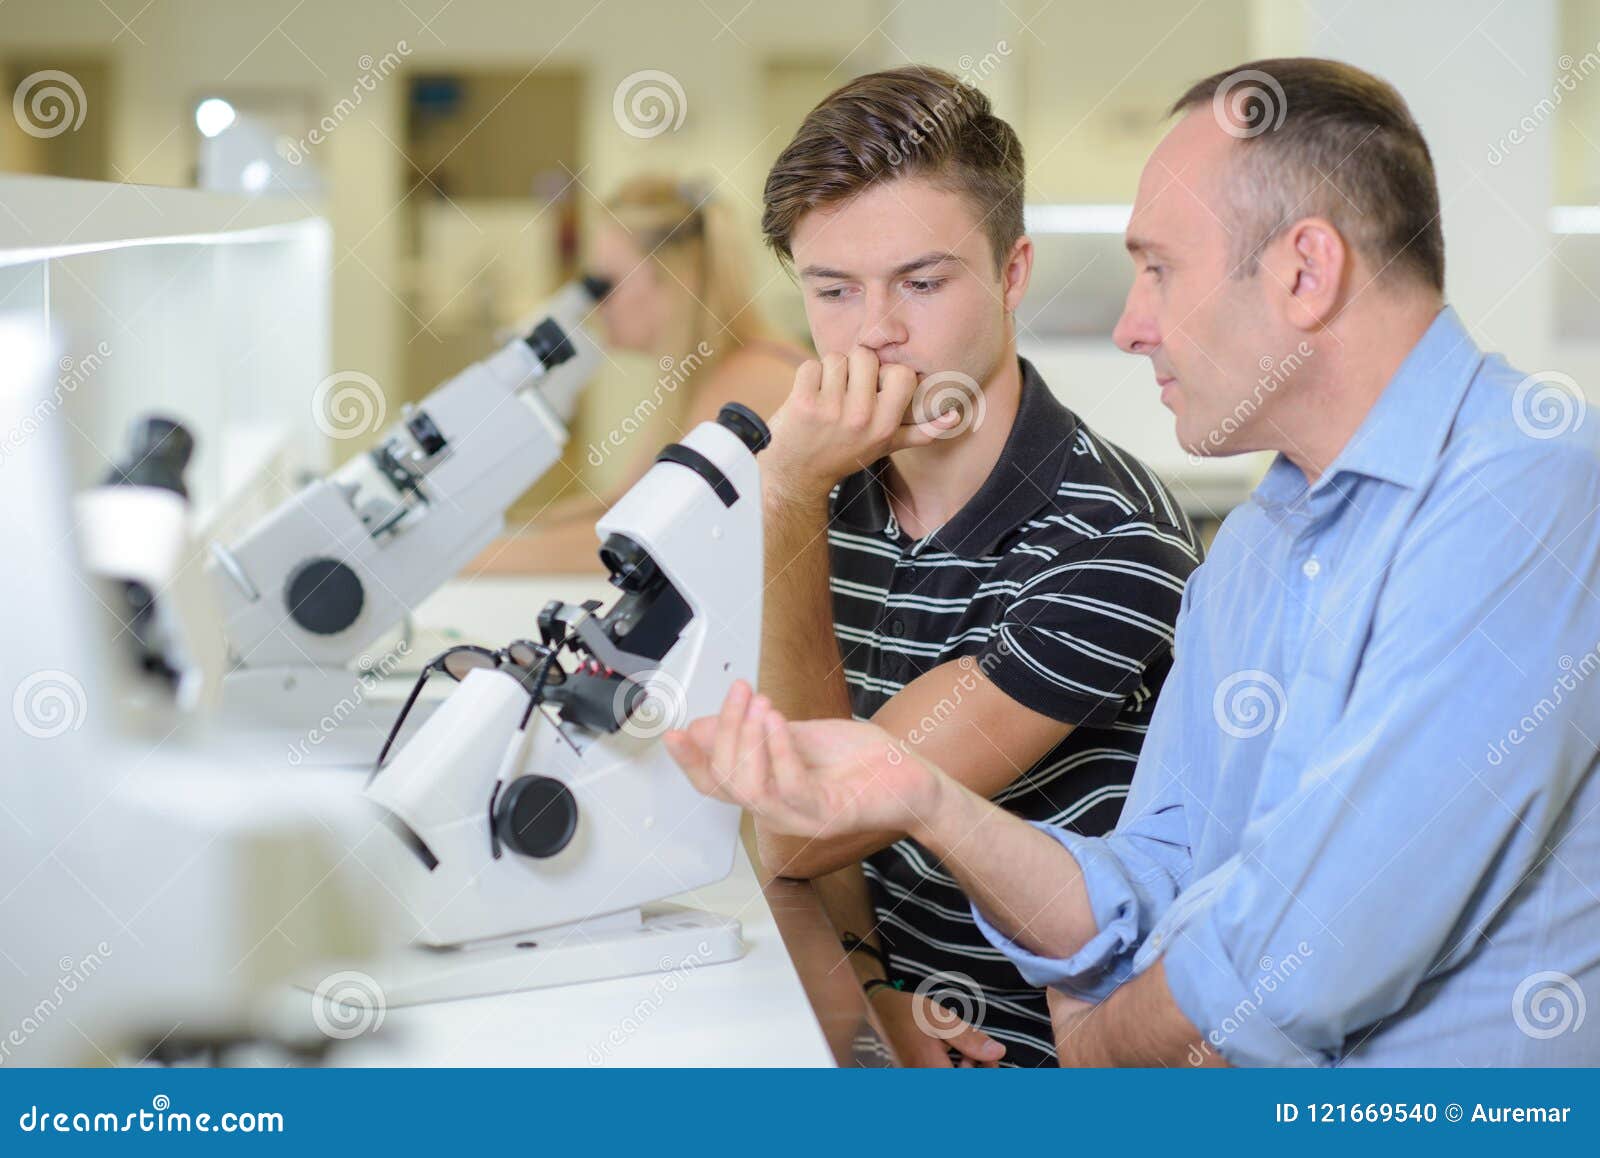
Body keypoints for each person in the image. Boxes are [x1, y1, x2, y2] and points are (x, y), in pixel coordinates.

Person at [666, 57, 1600, 1066]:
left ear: (1304, 271)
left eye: (1158, 268)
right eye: (834, 290)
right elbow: (1149, 880)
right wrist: (921, 799)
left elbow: (1297, 964)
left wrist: (1102, 1046)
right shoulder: (1253, 549)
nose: (1127, 326)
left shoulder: (1533, 489)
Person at [742, 67, 1200, 1067]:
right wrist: (864, 1007)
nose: (876, 332)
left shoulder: (1113, 548)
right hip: (871, 1027)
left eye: (921, 281)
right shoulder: (834, 490)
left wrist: (780, 500)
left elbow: (803, 825)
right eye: (832, 289)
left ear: (1010, 274)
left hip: (1021, 1064)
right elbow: (758, 807)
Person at [472, 175, 804, 573]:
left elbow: (648, 539)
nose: (597, 307)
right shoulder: (702, 376)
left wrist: (467, 562)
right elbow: (625, 502)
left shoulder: (751, 381)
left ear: (675, 277)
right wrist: (496, 532)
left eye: (605, 285)